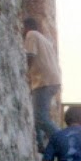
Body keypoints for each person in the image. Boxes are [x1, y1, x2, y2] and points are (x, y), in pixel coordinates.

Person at [23, 17, 62, 153]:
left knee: (41, 117)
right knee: (37, 114)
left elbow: (30, 55)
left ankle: (66, 141)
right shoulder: (45, 39)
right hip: (52, 80)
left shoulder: (31, 35)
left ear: (26, 27)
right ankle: (40, 145)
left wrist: (24, 73)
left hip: (43, 80)